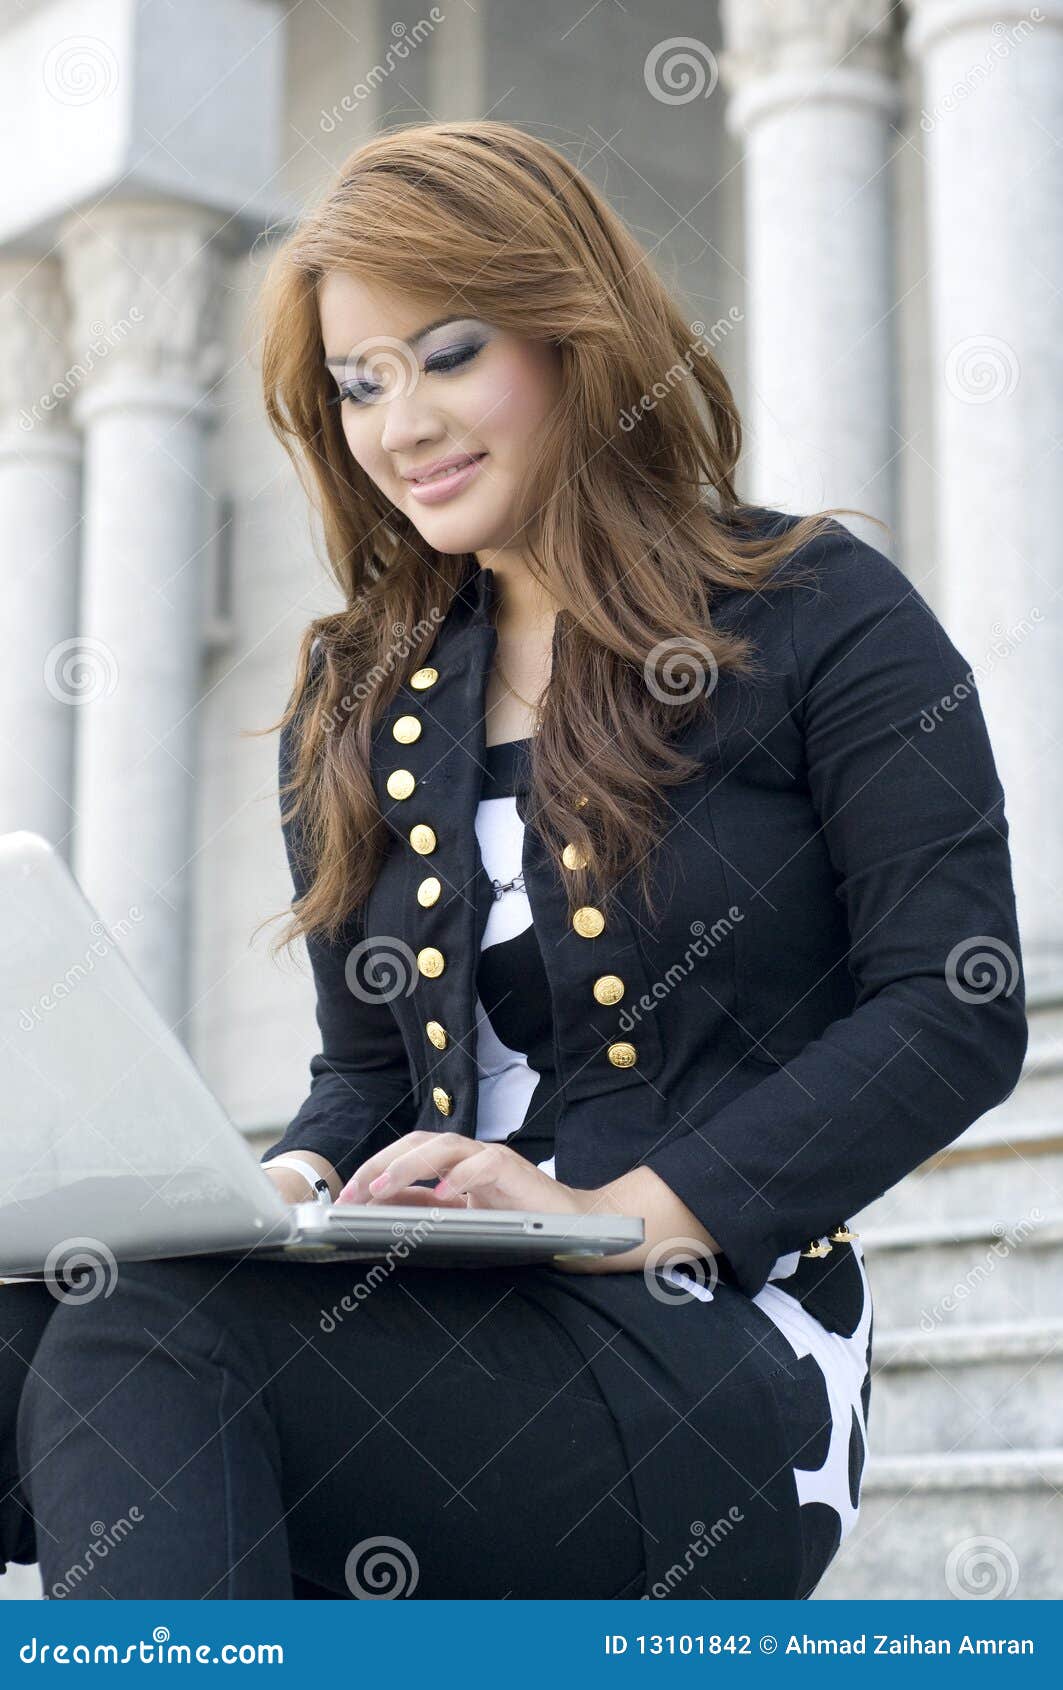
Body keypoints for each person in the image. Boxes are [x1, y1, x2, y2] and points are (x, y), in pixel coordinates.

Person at [2, 120, 1026, 1600]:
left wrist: (627, 1215)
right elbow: (368, 1080)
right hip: (416, 1308)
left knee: (146, 1332)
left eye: (449, 351)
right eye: (359, 383)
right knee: (63, 1314)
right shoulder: (362, 690)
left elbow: (955, 1002)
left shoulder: (819, 614)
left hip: (712, 1342)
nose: (400, 421)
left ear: (572, 333)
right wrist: (276, 1184)